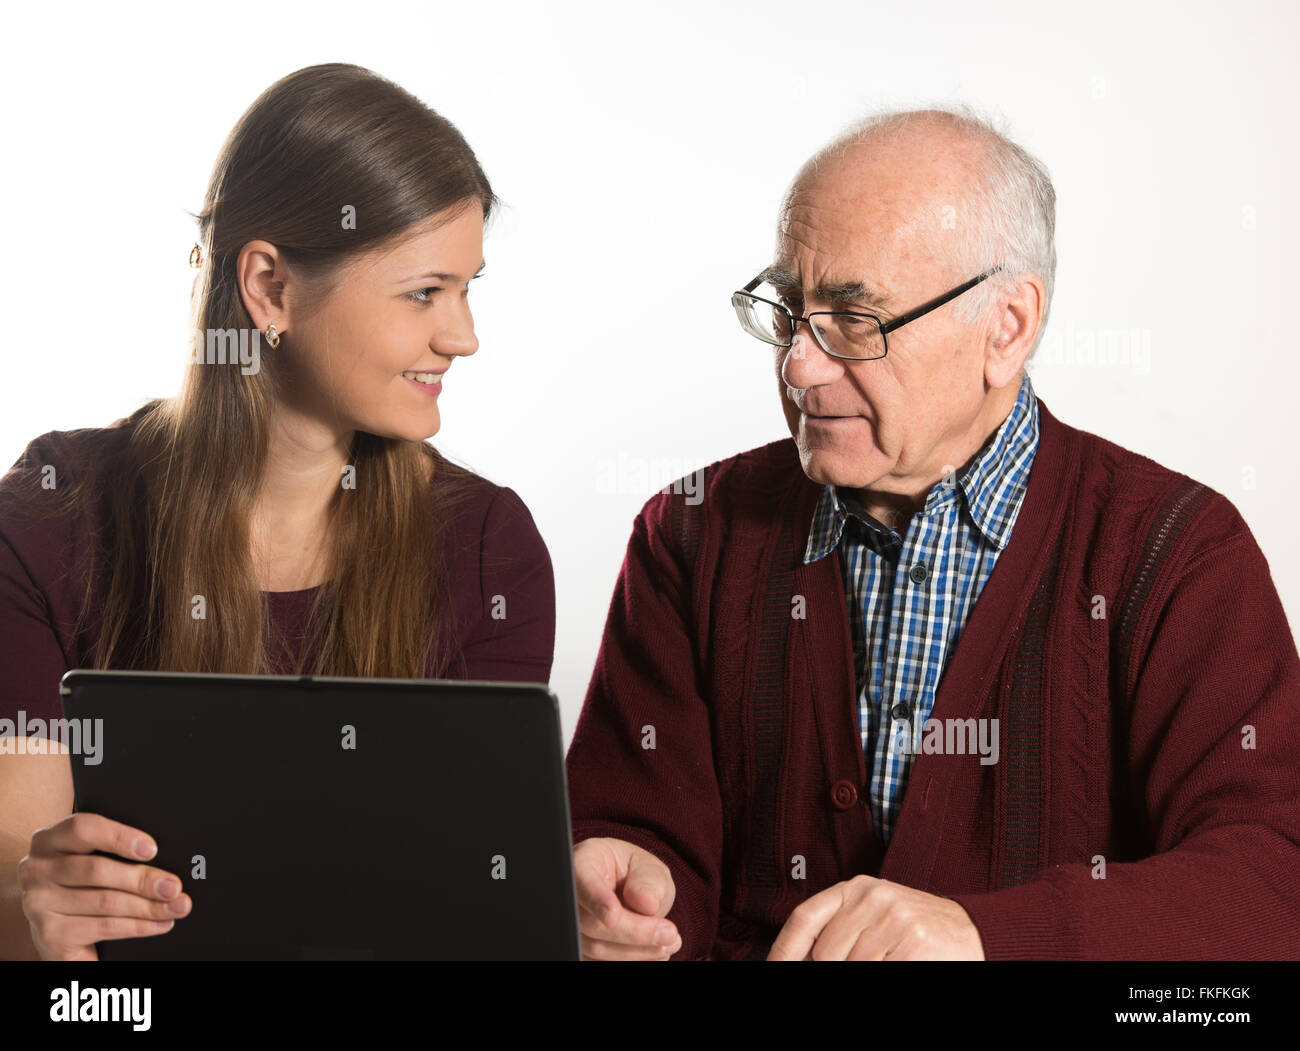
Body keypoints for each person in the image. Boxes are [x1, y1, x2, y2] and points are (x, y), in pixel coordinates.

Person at [565, 105, 1300, 961]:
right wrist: (619, 886)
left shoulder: (1176, 552)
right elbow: (635, 826)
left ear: (1007, 326)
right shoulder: (689, 533)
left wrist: (988, 938)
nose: (800, 364)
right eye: (790, 310)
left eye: (854, 318)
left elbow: (1271, 882)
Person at [0, 63, 555, 961]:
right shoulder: (49, 514)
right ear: (268, 288)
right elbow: (14, 880)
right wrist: (38, 924)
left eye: (468, 287)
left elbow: (466, 914)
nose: (463, 335)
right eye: (424, 292)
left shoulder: (490, 549)